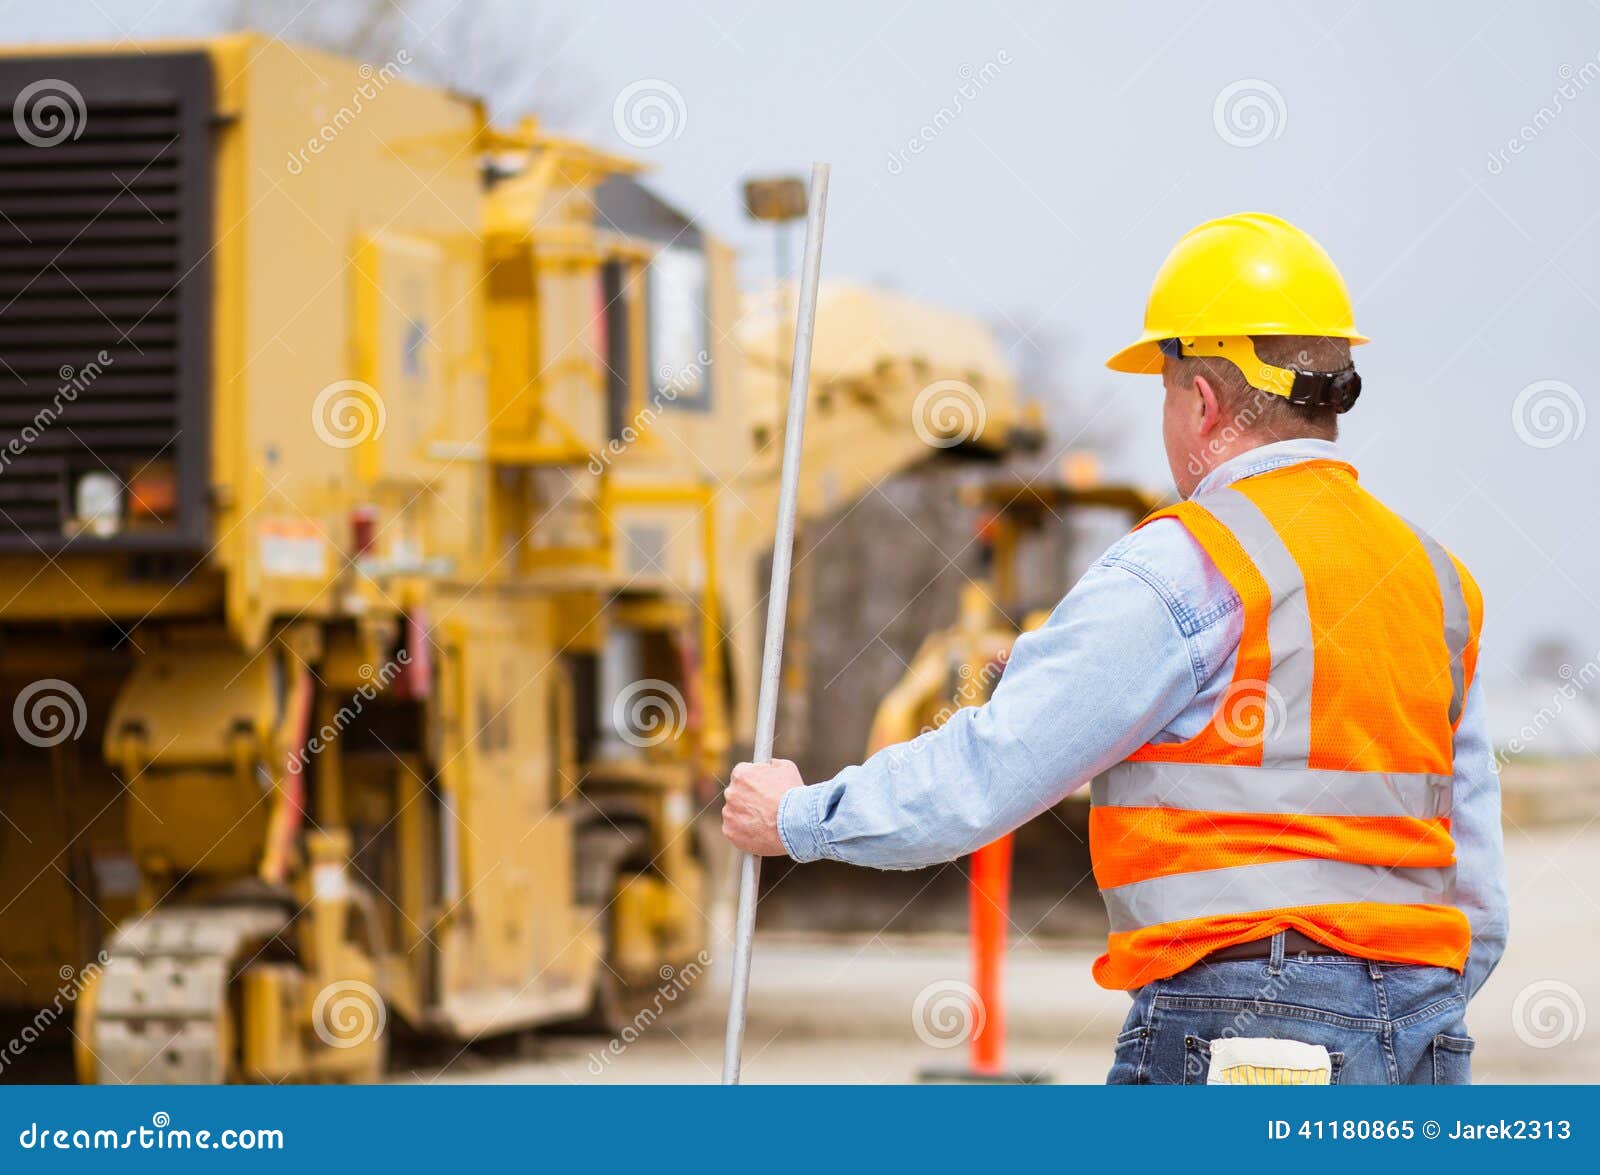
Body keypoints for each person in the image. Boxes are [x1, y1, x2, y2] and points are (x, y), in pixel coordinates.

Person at [721, 212, 1508, 1085]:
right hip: (1425, 1028)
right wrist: (1402, 1004)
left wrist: (799, 817)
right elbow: (1478, 880)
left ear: (1201, 400)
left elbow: (989, 770)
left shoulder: (1192, 563)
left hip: (1244, 1018)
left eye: (1165, 389)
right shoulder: (1438, 582)